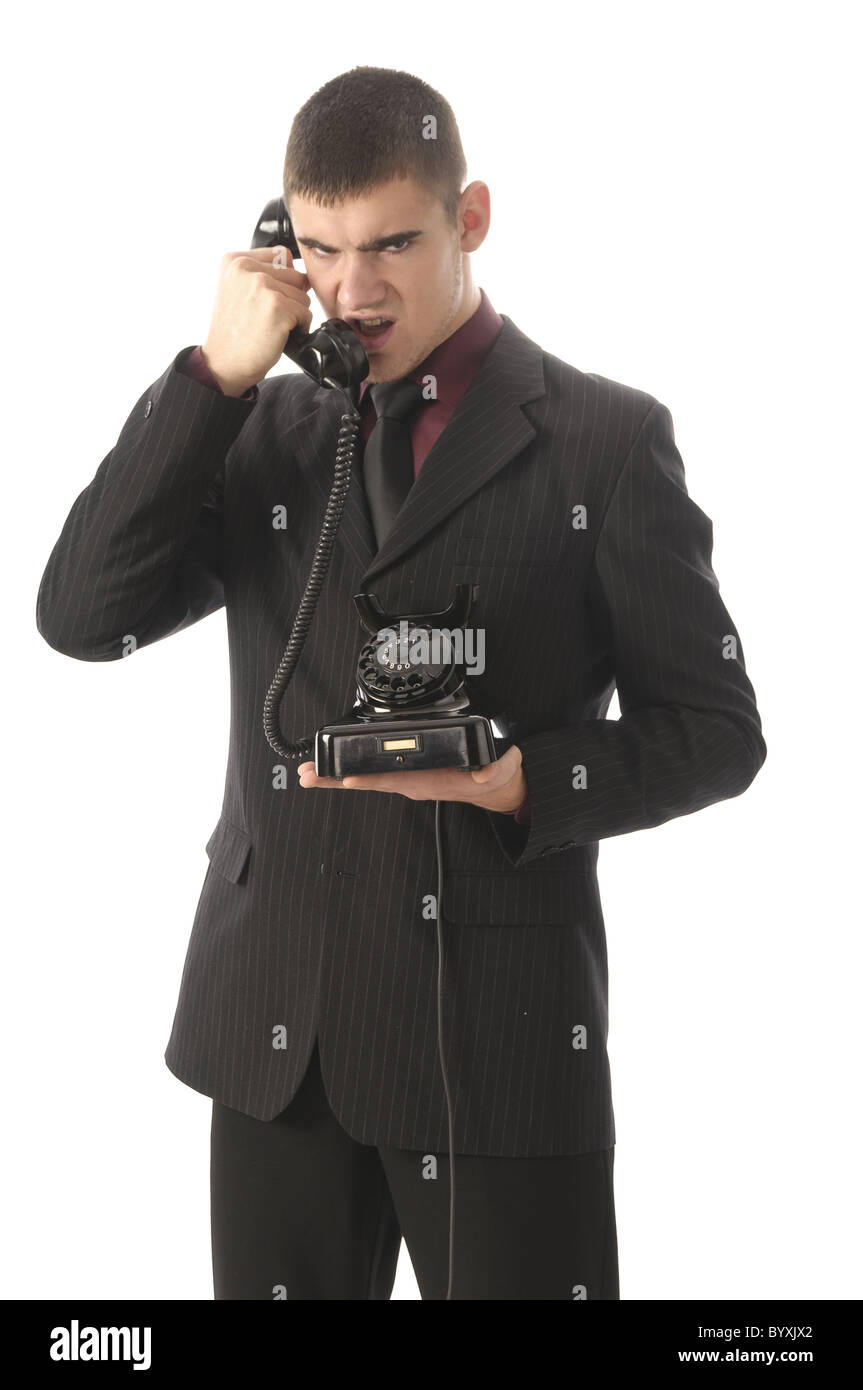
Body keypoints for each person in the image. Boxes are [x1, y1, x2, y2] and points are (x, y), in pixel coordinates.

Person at [35, 65, 766, 1300]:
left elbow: (715, 729)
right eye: (316, 249)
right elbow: (81, 615)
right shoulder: (262, 431)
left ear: (469, 218)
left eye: (391, 244)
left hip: (497, 1041)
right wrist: (211, 379)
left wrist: (527, 779)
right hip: (278, 1032)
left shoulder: (604, 438)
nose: (352, 289)